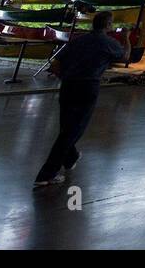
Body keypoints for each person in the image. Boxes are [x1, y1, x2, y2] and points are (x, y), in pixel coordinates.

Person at [33, 11, 126, 189]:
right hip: (87, 87)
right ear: (108, 25)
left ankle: (71, 158)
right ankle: (46, 174)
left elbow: (55, 63)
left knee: (67, 126)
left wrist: (64, 77)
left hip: (68, 86)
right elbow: (125, 57)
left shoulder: (78, 40)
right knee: (73, 130)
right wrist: (127, 39)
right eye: (111, 23)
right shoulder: (108, 43)